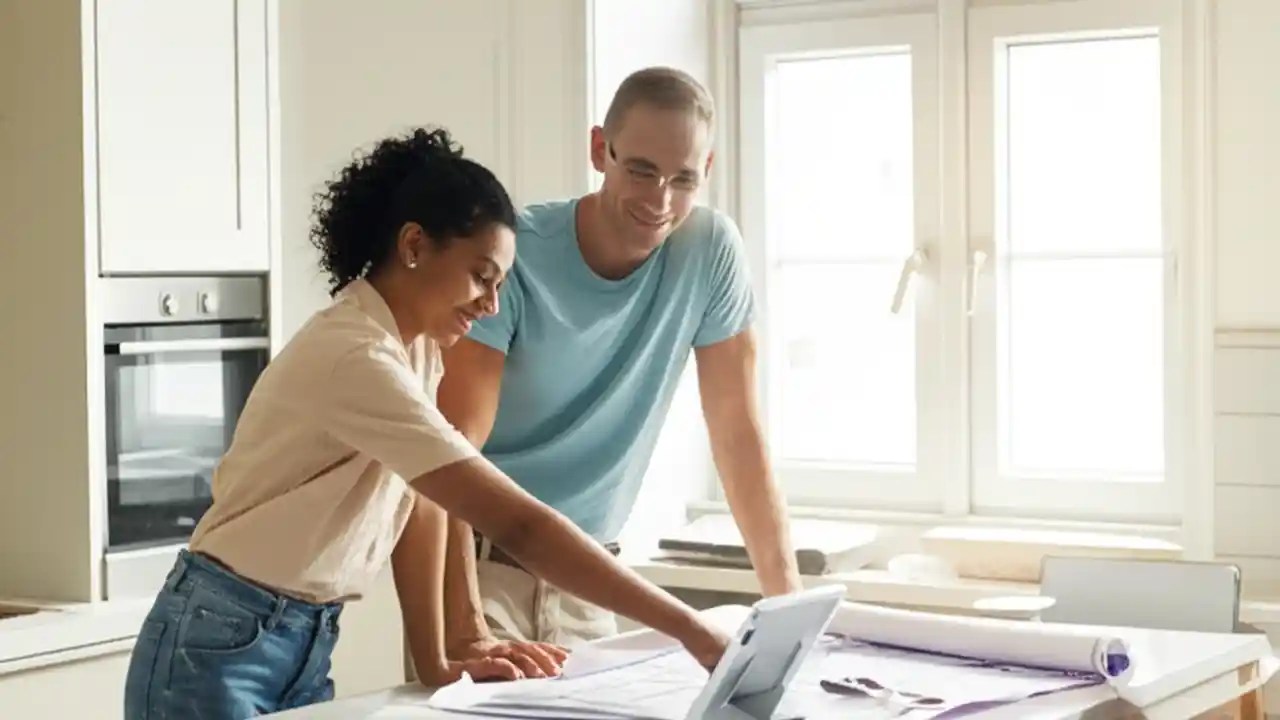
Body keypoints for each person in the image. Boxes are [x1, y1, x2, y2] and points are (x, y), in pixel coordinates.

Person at [120, 127, 728, 720]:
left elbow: (426, 502)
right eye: (481, 276)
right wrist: (690, 629)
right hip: (218, 635)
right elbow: (517, 523)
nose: (491, 304)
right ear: (413, 247)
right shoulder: (357, 356)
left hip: (298, 635)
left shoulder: (415, 349)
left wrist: (445, 653)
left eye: (500, 285)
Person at [417, 66, 804, 662]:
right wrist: (466, 627)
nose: (660, 201)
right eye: (641, 171)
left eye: (683, 179)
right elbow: (451, 452)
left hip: (593, 575)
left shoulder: (710, 251)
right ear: (601, 150)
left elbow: (738, 436)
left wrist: (788, 617)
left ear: (707, 171)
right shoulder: (515, 255)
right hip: (482, 571)